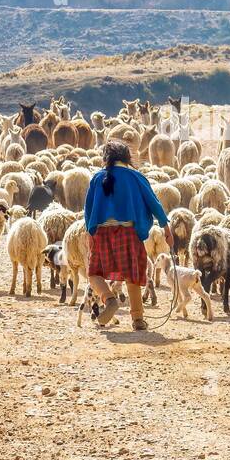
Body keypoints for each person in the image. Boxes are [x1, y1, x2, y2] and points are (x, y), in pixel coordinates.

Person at [84, 141, 172, 331]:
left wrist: (90, 233)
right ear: (126, 157)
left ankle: (109, 299)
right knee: (132, 275)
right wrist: (165, 227)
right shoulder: (135, 177)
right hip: (128, 232)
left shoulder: (97, 178)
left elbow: (88, 210)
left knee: (94, 274)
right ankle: (138, 319)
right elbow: (153, 202)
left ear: (106, 158)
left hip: (102, 233)